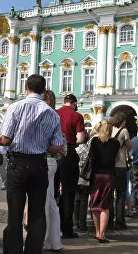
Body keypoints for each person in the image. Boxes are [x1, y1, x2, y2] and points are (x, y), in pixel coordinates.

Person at [0, 75, 64, 254]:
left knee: (15, 214)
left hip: (17, 164)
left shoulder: (15, 107)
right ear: (44, 90)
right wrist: (42, 145)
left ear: (26, 86)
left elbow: (5, 140)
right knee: (37, 215)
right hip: (39, 164)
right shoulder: (52, 113)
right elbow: (58, 145)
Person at [55, 94, 85, 239]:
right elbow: (80, 138)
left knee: (53, 192)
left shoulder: (55, 112)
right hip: (69, 153)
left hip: (54, 153)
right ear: (73, 103)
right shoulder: (77, 116)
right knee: (68, 193)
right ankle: (67, 229)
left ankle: (52, 227)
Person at [87, 120, 119, 243]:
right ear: (110, 131)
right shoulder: (115, 143)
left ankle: (96, 232)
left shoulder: (95, 141)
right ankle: (102, 234)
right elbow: (117, 159)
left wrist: (95, 130)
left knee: (95, 205)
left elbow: (89, 151)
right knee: (105, 206)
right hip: (109, 175)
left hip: (95, 175)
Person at [40, 90, 63, 252]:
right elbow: (61, 146)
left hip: (44, 160)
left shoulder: (44, 116)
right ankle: (53, 240)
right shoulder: (56, 116)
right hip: (52, 161)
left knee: (44, 202)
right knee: (51, 203)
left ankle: (48, 240)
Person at [108, 112, 133, 230]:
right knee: (121, 194)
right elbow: (130, 146)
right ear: (122, 121)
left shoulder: (108, 129)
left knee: (110, 194)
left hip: (109, 165)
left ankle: (109, 221)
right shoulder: (124, 131)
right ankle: (120, 221)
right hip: (121, 165)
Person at [74, 136, 90, 232]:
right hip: (86, 178)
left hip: (77, 177)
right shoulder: (90, 151)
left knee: (76, 200)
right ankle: (83, 224)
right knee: (84, 201)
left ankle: (75, 222)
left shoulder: (75, 150)